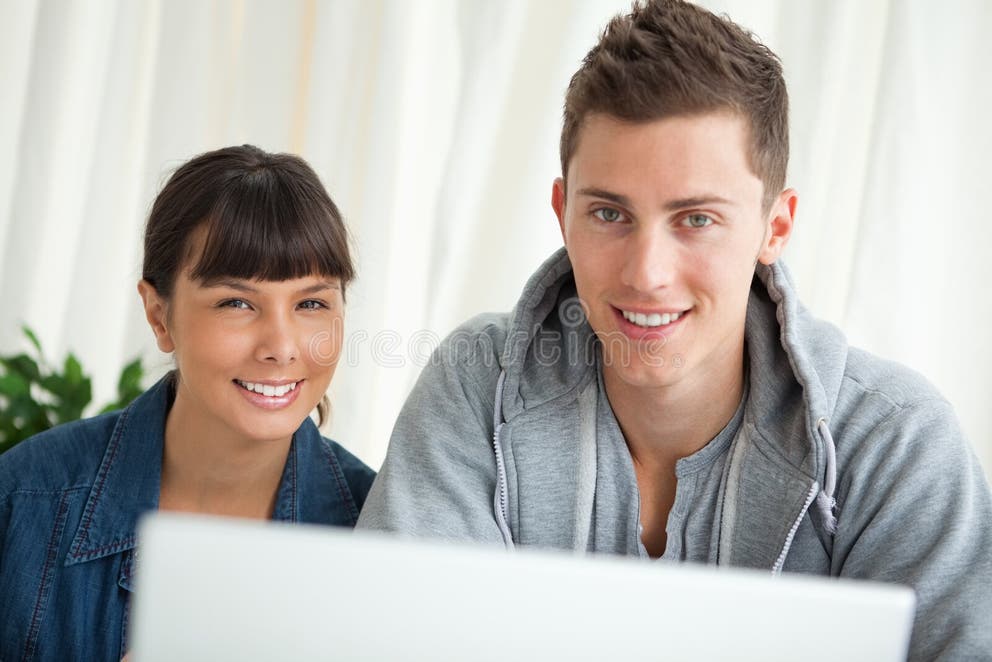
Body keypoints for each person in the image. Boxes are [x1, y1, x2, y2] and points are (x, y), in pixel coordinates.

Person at [357, 1, 992, 658]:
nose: (647, 273)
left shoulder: (897, 443)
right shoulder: (473, 385)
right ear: (562, 211)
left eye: (696, 219)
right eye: (609, 213)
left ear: (774, 227)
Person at [0, 145, 376, 661]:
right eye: (237, 303)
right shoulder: (23, 500)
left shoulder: (375, 533)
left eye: (311, 303)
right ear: (159, 315)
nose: (282, 347)